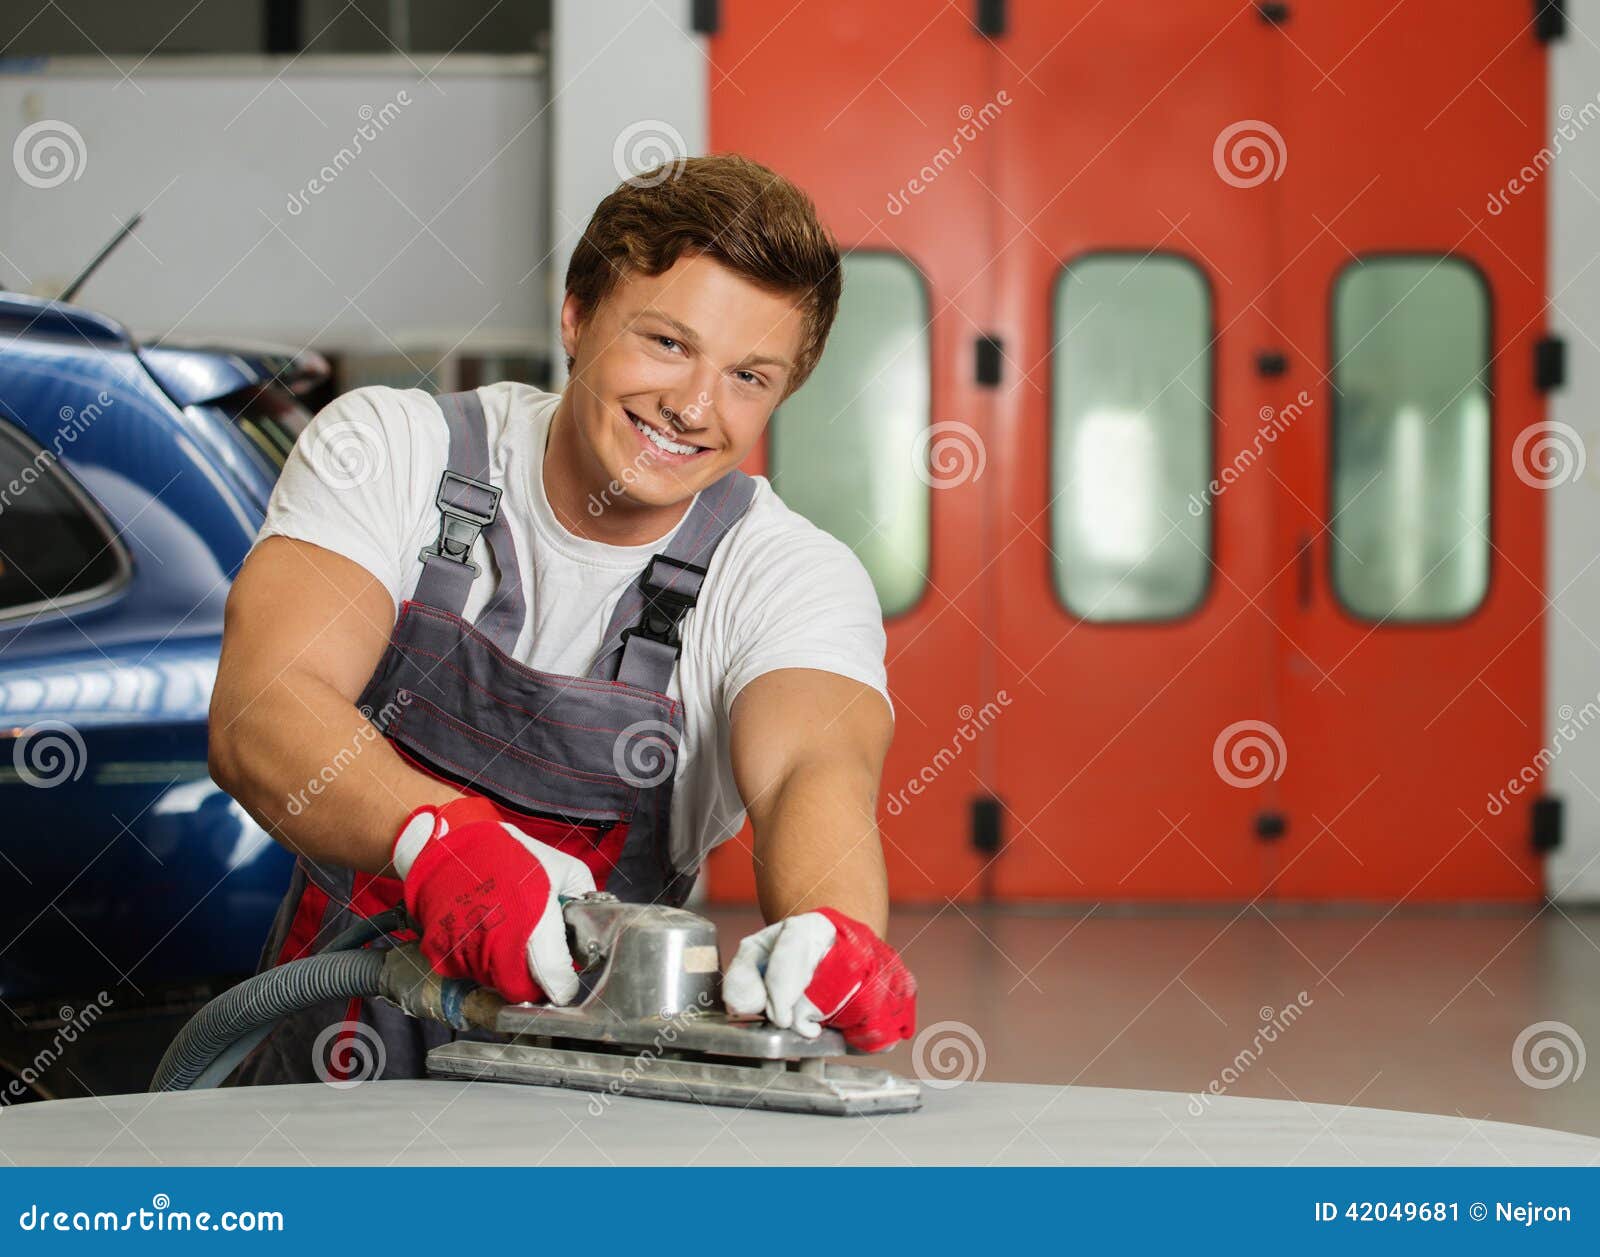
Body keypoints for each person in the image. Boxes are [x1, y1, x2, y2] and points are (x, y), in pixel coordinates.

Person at [207, 152, 916, 1083]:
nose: (694, 407)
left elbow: (808, 775)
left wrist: (831, 933)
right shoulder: (394, 448)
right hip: (305, 1100)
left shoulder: (785, 574)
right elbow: (264, 708)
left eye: (749, 376)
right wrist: (435, 836)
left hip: (578, 1120)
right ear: (577, 317)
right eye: (667, 343)